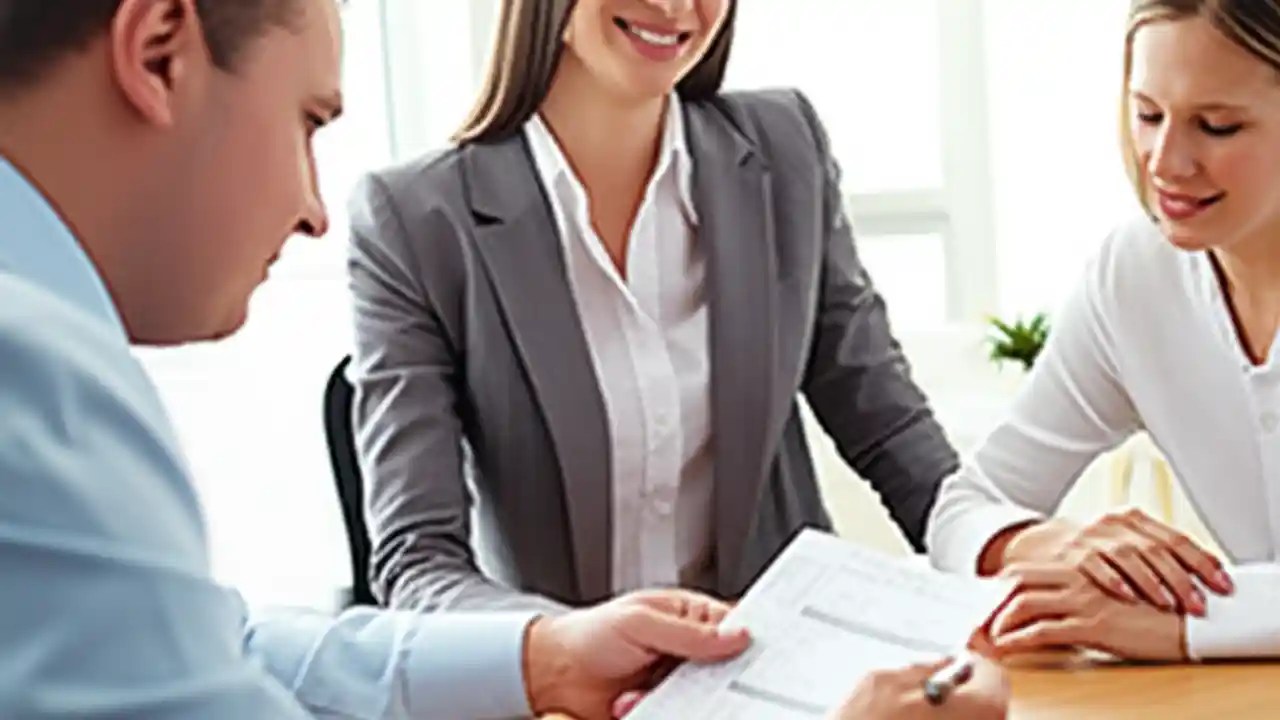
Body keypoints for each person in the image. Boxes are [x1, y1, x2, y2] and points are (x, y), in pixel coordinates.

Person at [0, 1, 756, 717]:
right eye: (309, 122)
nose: (314, 211)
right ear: (159, 51)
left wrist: (543, 657)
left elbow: (217, 643)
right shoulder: (32, 385)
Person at [348, 0, 957, 617]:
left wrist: (998, 547)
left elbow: (887, 423)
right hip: (567, 698)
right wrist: (563, 648)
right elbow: (417, 559)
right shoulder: (416, 221)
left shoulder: (784, 149)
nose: (671, 6)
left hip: (779, 670)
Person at [927, 0, 1280, 663]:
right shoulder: (1137, 277)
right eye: (1147, 114)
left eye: (1217, 126)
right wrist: (1054, 546)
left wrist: (1178, 626)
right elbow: (962, 512)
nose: (1166, 161)